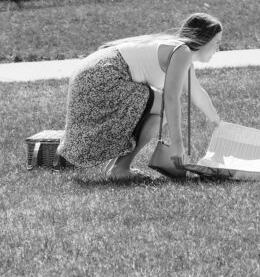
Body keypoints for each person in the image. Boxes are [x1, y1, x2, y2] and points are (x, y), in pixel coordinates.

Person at [57, 12, 223, 180]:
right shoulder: (182, 52)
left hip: (90, 75)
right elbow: (171, 99)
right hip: (102, 77)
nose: (218, 48)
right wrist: (178, 145)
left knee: (156, 110)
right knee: (162, 107)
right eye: (216, 43)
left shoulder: (181, 54)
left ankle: (117, 167)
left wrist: (217, 122)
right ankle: (120, 168)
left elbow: (197, 93)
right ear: (204, 39)